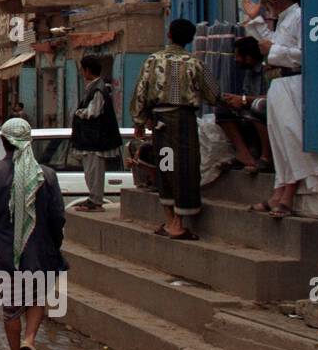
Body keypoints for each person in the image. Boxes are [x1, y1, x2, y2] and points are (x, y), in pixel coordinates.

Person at [0, 118, 67, 350]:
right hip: (40, 250)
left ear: (4, 142)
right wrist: (55, 243)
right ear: (29, 142)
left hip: (5, 251)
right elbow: (57, 216)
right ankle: (30, 339)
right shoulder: (46, 175)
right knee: (37, 297)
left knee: (11, 307)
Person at [130, 18, 225, 240]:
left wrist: (139, 122)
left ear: (169, 35)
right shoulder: (196, 63)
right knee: (186, 167)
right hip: (184, 123)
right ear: (190, 39)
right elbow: (214, 95)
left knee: (166, 167)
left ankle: (170, 220)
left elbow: (140, 93)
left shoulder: (152, 60)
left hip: (162, 125)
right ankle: (178, 223)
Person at [242, 0, 318, 218]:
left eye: (268, 4)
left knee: (291, 136)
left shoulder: (299, 17)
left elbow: (304, 54)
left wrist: (273, 51)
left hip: (292, 83)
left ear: (276, 1)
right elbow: (270, 44)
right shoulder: (284, 20)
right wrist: (256, 22)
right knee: (279, 140)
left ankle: (288, 194)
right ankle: (278, 192)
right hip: (278, 83)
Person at [71, 55, 122, 212]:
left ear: (87, 70)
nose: (82, 73)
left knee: (94, 171)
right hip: (91, 139)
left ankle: (95, 201)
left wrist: (78, 113)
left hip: (95, 139)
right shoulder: (94, 87)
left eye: (83, 70)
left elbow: (93, 112)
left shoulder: (98, 89)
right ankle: (93, 198)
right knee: (91, 171)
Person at [216, 36, 271, 174]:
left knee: (257, 106)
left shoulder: (267, 69)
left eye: (238, 56)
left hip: (269, 113)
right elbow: (245, 96)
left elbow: (271, 98)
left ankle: (266, 158)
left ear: (248, 57)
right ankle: (245, 155)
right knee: (222, 110)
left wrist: (244, 100)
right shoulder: (249, 72)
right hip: (250, 112)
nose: (236, 59)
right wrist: (233, 101)